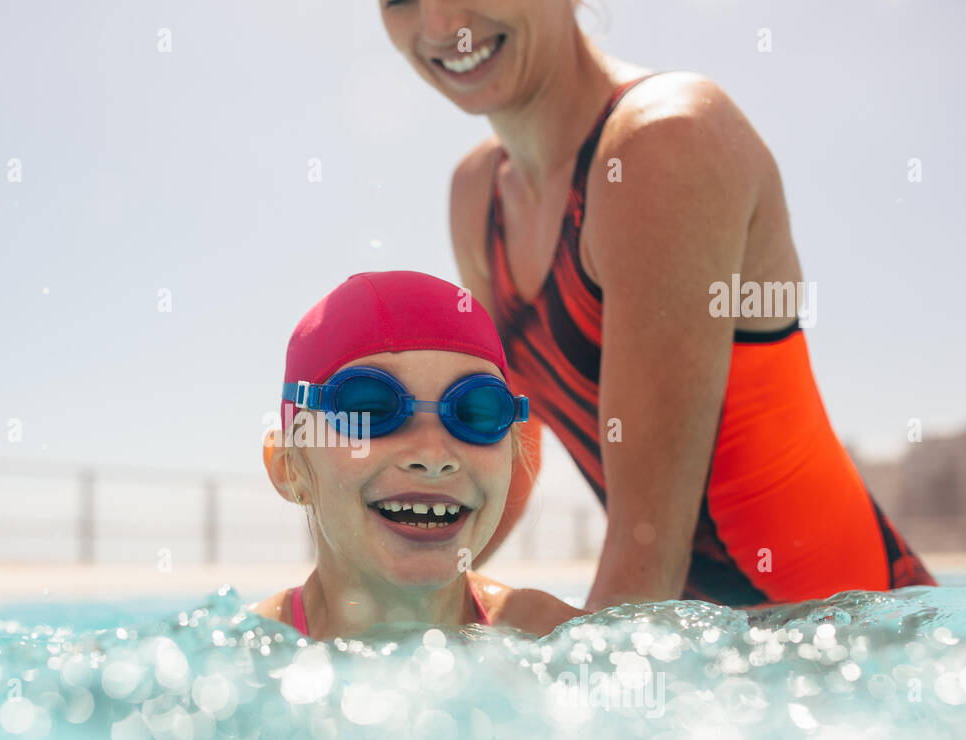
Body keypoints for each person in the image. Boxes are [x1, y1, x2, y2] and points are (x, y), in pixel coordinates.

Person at [379, 0, 937, 609]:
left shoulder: (666, 141)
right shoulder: (477, 194)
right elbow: (508, 456)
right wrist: (386, 605)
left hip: (855, 644)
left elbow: (648, 555)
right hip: (721, 655)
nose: (439, 26)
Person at [250, 270, 579, 639]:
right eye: (370, 410)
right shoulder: (243, 660)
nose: (433, 454)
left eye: (478, 412)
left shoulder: (553, 639)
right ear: (288, 467)